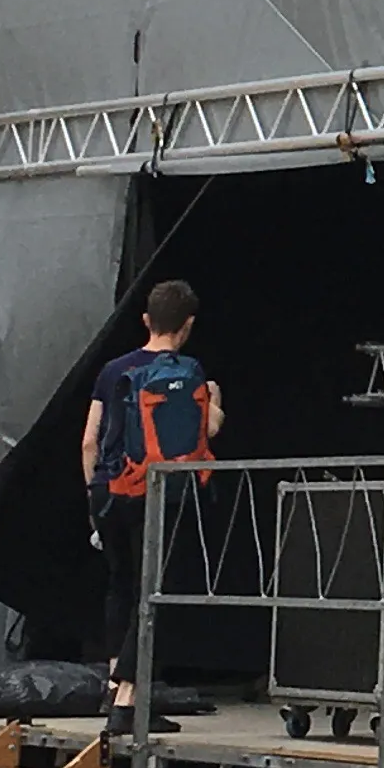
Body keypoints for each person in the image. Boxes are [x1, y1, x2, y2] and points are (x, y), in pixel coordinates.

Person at [84, 280, 222, 661]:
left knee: (120, 586)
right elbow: (207, 429)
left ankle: (114, 683)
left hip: (110, 489)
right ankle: (130, 692)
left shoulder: (113, 370)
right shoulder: (189, 372)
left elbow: (89, 441)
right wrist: (217, 400)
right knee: (152, 593)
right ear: (188, 325)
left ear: (146, 320)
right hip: (159, 492)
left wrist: (92, 491)